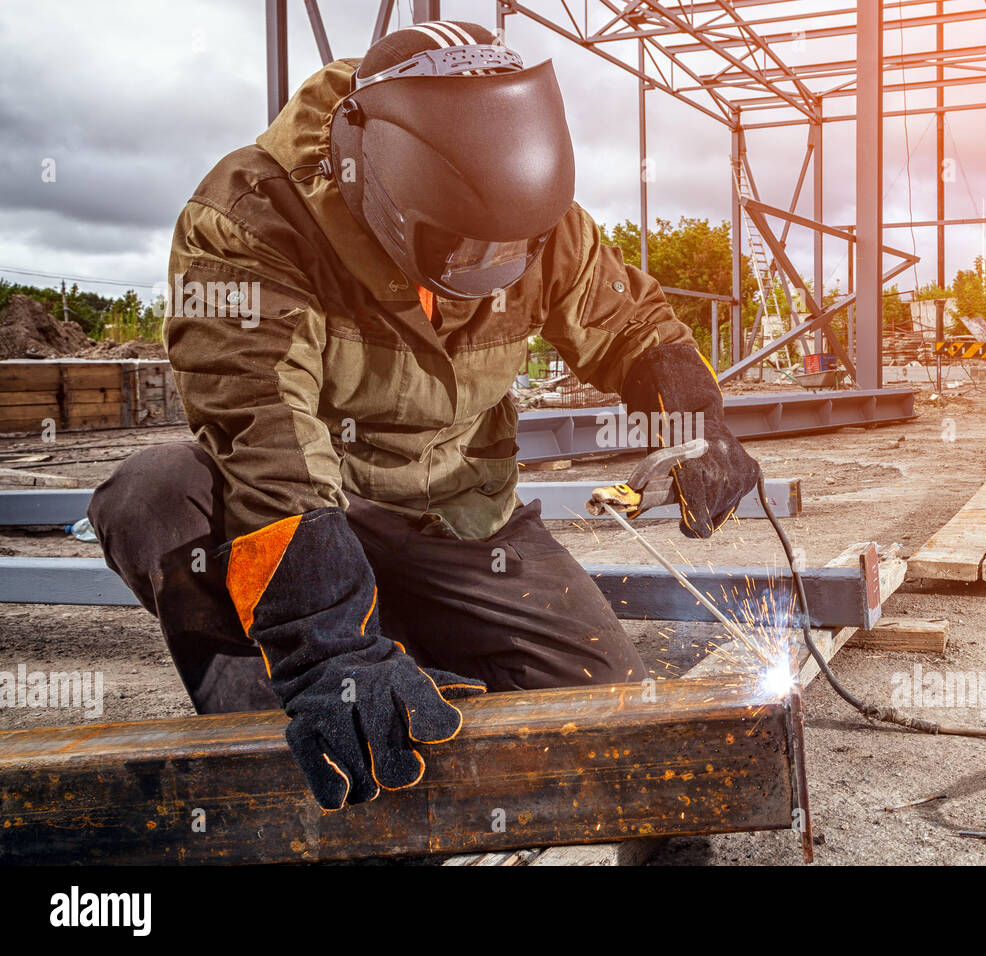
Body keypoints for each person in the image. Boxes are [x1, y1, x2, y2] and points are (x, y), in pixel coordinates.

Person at [89, 20, 759, 811]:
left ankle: (403, 632)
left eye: (508, 247)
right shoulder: (251, 219)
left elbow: (631, 326)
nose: (490, 267)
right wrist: (327, 647)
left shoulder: (532, 216)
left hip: (457, 511)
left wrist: (697, 422)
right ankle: (279, 742)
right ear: (382, 184)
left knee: (602, 705)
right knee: (156, 493)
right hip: (314, 501)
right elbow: (265, 437)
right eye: (462, 248)